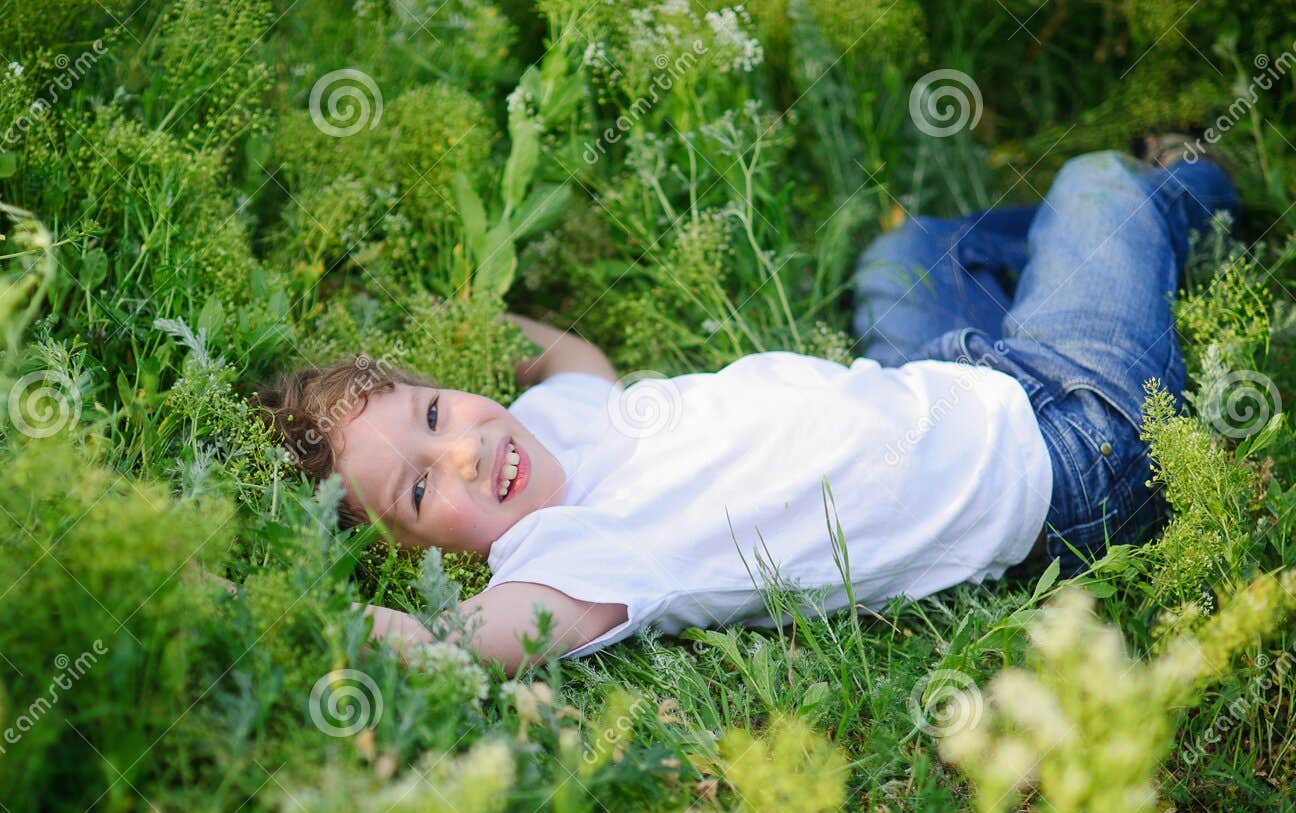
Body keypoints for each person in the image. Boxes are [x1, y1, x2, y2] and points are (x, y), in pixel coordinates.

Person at [257, 141, 1240, 675]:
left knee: (899, 261)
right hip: (1071, 449)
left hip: (947, 376)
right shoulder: (564, 563)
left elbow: (574, 358)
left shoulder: (555, 422)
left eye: (435, 415)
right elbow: (446, 648)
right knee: (1094, 185)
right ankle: (1182, 191)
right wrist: (279, 618)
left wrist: (476, 309)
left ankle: (1098, 258)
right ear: (427, 556)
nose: (465, 453)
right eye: (421, 490)